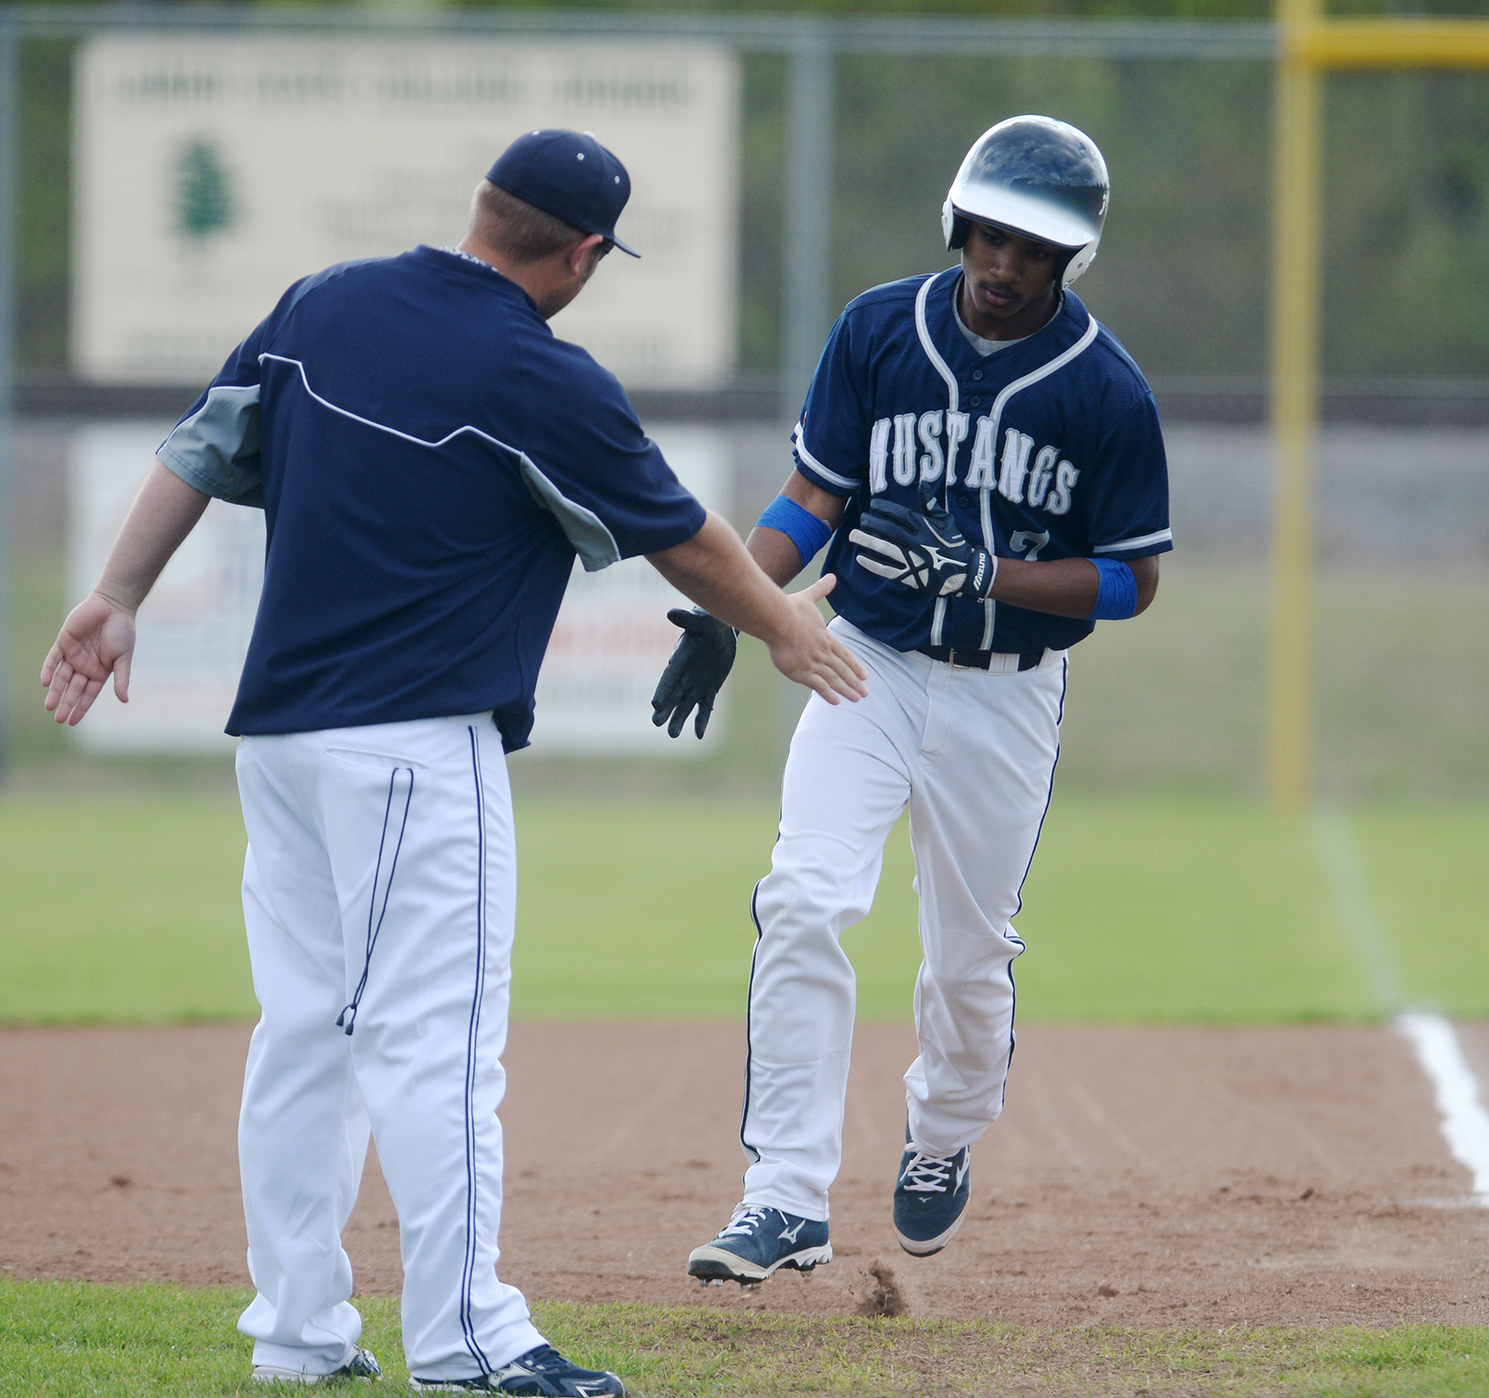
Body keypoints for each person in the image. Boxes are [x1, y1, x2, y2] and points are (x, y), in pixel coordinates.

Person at [41, 129, 865, 1392]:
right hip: (417, 749)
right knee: (438, 1045)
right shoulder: (540, 374)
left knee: (306, 1033)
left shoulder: (326, 302)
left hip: (283, 744)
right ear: (583, 253)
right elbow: (687, 539)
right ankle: (470, 1342)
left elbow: (199, 445)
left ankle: (301, 1335)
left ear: (481, 211)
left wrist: (116, 592)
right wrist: (792, 628)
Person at [666, 115, 1171, 1288]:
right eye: (987, 237)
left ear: (1069, 260)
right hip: (867, 663)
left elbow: (1131, 579)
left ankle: (941, 1135)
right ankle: (783, 1196)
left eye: (1030, 248)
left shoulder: (1103, 390)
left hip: (1006, 697)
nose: (1001, 265)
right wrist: (738, 601)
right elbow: (813, 494)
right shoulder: (876, 332)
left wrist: (983, 574)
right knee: (801, 896)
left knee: (966, 963)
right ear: (959, 225)